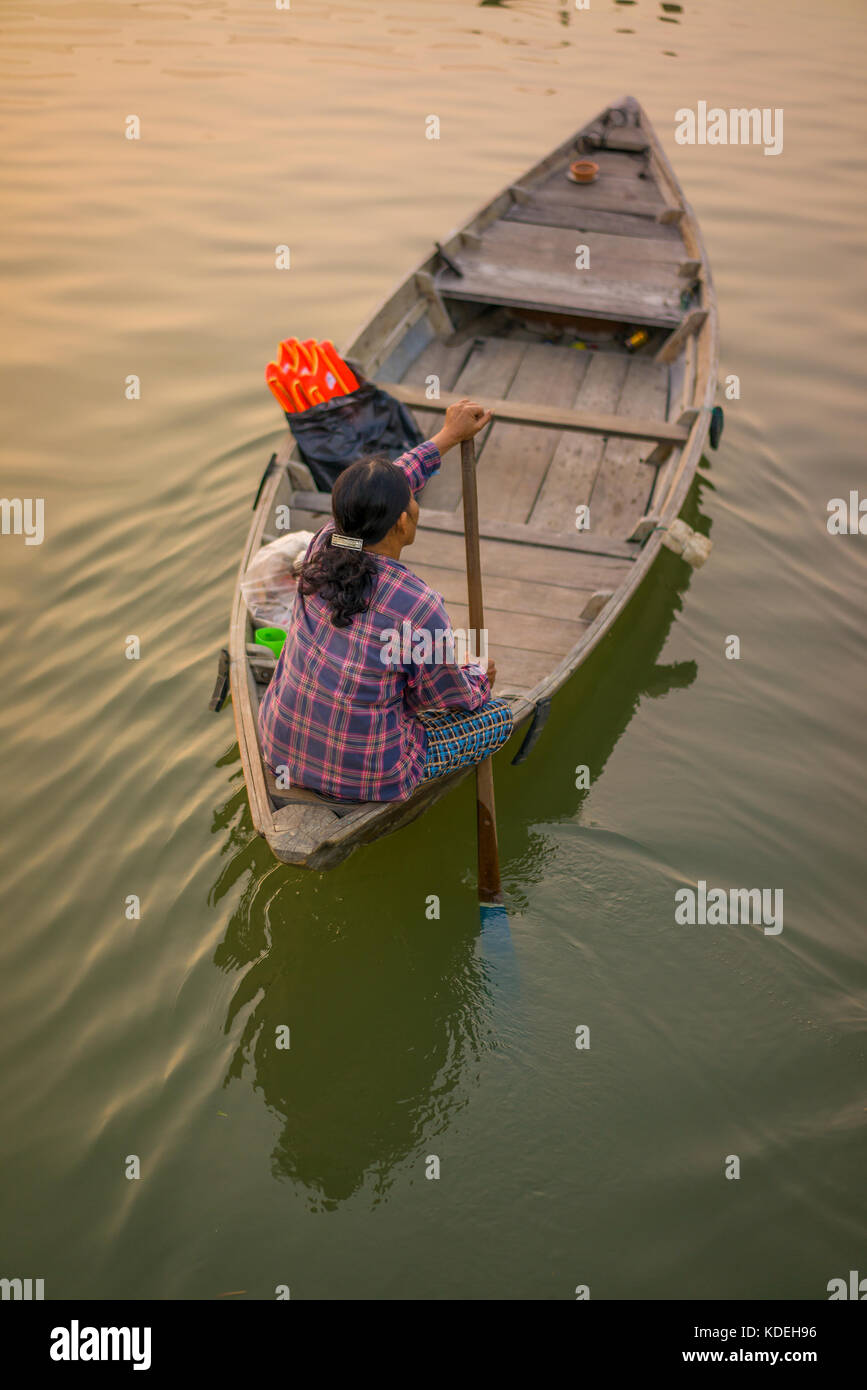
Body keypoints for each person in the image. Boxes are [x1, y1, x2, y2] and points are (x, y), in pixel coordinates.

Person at [258, 399, 514, 802]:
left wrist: (448, 437)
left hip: (278, 744)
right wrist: (479, 677)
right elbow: (449, 697)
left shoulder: (327, 541)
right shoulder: (418, 605)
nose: (415, 500)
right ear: (401, 522)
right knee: (498, 717)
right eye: (411, 501)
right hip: (370, 775)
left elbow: (392, 482)